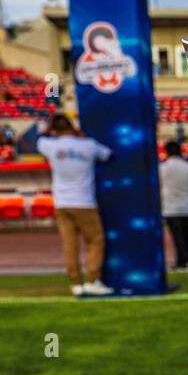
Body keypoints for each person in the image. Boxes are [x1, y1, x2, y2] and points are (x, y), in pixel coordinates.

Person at [37, 113, 114, 296]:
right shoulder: (88, 145)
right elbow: (108, 154)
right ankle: (93, 280)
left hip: (62, 203)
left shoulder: (50, 145)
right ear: (72, 126)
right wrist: (82, 137)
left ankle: (76, 284)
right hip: (84, 202)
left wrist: (48, 130)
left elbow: (40, 137)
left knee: (69, 245)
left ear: (54, 130)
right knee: (95, 240)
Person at [159, 140, 188, 270]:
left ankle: (182, 262)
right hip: (185, 205)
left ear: (167, 152)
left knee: (177, 236)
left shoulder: (163, 168)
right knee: (186, 234)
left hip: (170, 206)